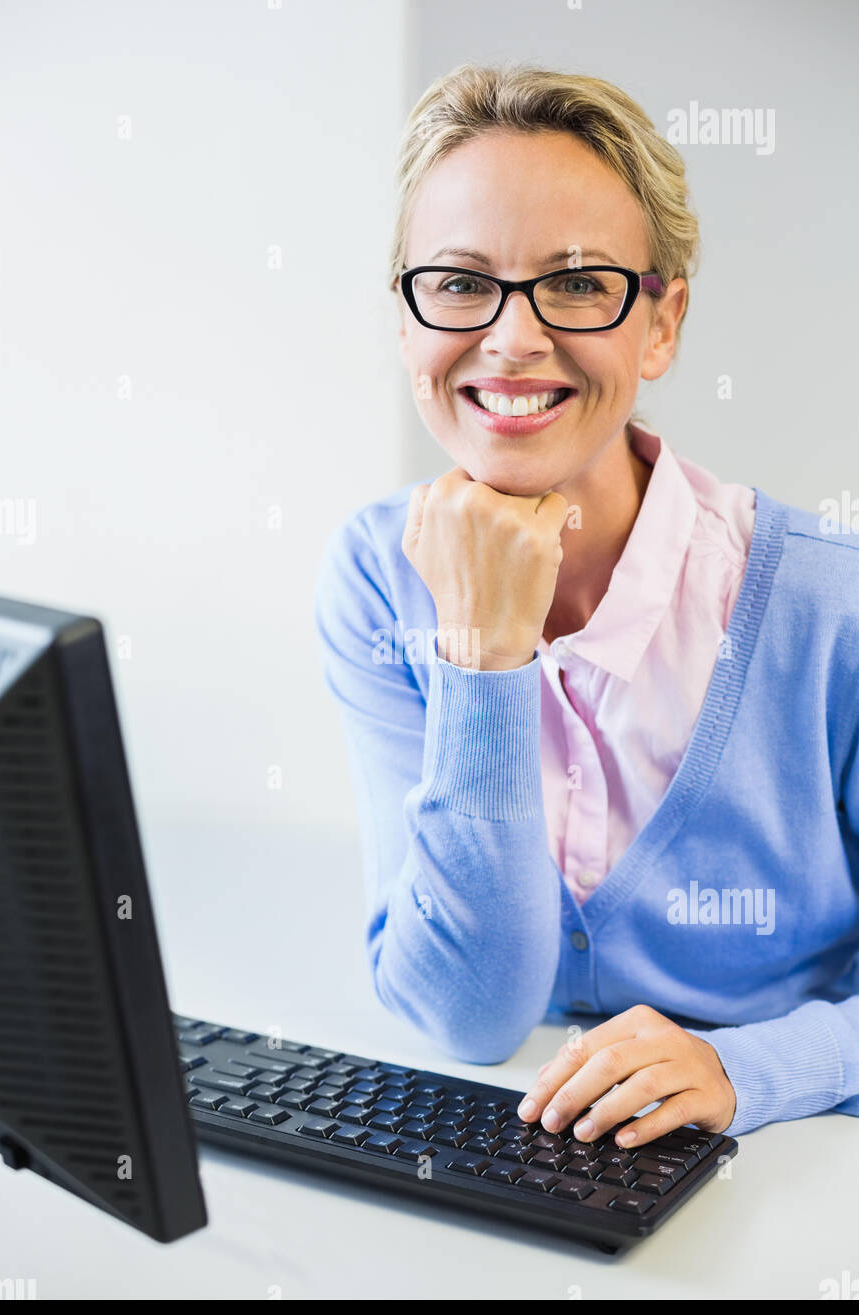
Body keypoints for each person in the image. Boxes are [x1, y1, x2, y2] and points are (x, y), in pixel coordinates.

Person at [314, 62, 859, 1145]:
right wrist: (482, 652)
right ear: (407, 319)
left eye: (573, 283)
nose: (511, 339)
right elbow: (468, 1014)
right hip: (506, 1161)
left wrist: (739, 1069)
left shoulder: (825, 604)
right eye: (460, 283)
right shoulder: (376, 573)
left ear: (658, 325)